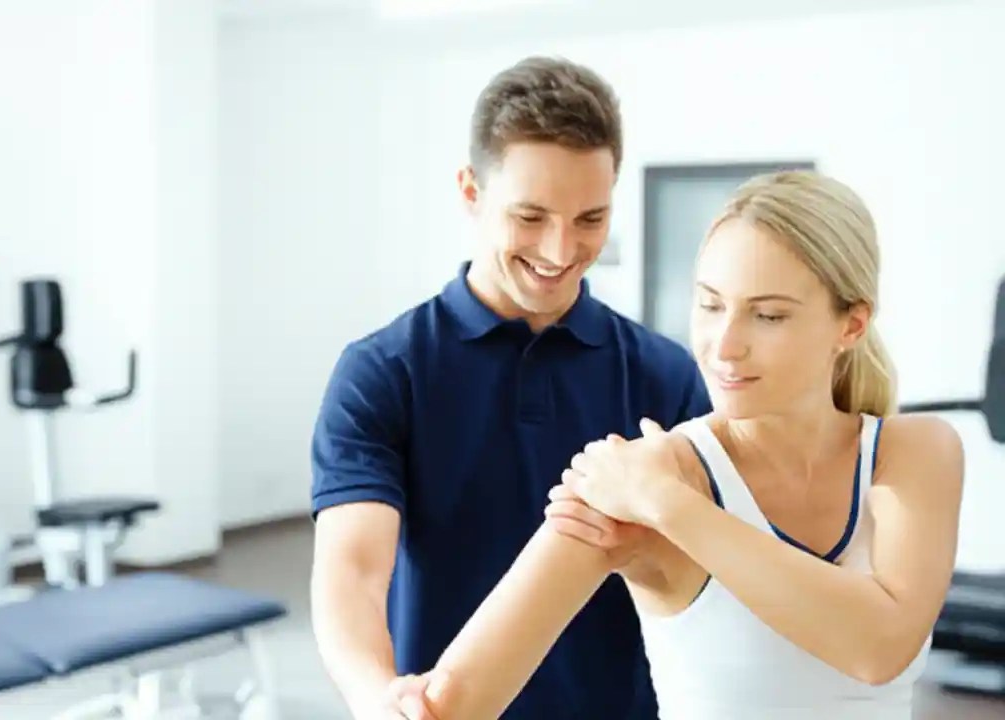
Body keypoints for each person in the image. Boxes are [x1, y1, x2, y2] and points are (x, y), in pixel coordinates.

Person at [405, 170, 965, 720]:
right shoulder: (647, 472)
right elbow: (453, 701)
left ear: (851, 324)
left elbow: (878, 648)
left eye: (767, 315)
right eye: (710, 305)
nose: (725, 346)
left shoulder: (914, 454)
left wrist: (667, 506)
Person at [308, 56, 710, 719]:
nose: (560, 250)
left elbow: (702, 575)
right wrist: (374, 695)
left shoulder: (665, 377)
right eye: (531, 216)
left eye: (590, 219)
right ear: (471, 191)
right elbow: (352, 570)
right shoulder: (383, 372)